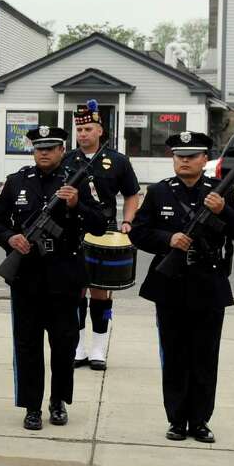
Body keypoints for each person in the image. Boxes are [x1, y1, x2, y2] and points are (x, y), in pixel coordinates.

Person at [128, 131, 234, 444]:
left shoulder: (221, 191)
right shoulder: (159, 192)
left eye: (191, 155)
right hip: (170, 284)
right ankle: (176, 420)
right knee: (175, 355)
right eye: (179, 155)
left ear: (204, 159)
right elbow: (138, 233)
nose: (184, 160)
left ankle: (200, 422)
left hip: (208, 282)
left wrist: (223, 210)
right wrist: (168, 239)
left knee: (205, 356)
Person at [0, 125, 107, 431]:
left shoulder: (78, 181)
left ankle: (58, 401)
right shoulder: (17, 181)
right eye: (39, 147)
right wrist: (11, 239)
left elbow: (100, 225)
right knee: (27, 344)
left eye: (51, 147)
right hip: (26, 274)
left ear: (62, 150)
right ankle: (31, 406)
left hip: (65, 274)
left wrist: (76, 204)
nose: (44, 152)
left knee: (64, 343)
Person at [65, 100, 140, 371]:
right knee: (75, 292)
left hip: (104, 232)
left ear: (100, 131)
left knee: (101, 294)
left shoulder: (117, 161)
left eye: (88, 129)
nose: (83, 134)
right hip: (72, 232)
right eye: (79, 129)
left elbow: (132, 194)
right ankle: (78, 347)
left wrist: (128, 221)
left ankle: (99, 347)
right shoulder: (66, 159)